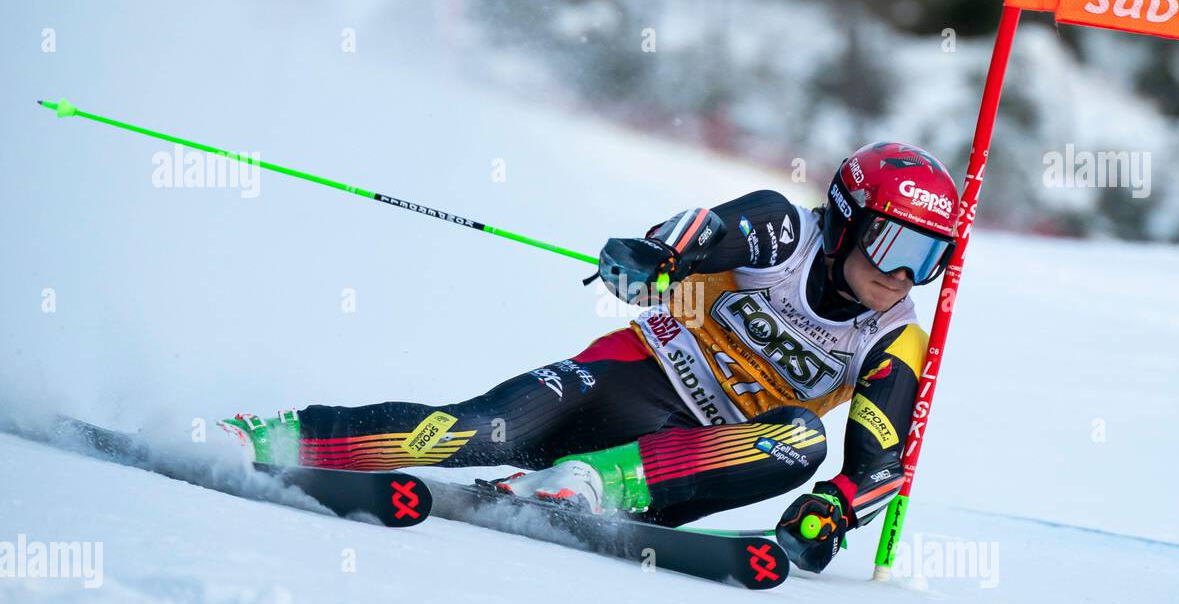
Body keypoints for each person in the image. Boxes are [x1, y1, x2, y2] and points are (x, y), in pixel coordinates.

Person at [222, 142, 959, 573]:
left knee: (800, 438)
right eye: (892, 244)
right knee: (468, 428)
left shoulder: (894, 334)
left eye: (928, 259)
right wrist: (655, 259)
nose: (903, 274)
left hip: (687, 462)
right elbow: (700, 232)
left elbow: (878, 467)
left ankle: (588, 483)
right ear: (846, 221)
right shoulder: (784, 231)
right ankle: (269, 434)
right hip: (621, 382)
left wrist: (833, 512)